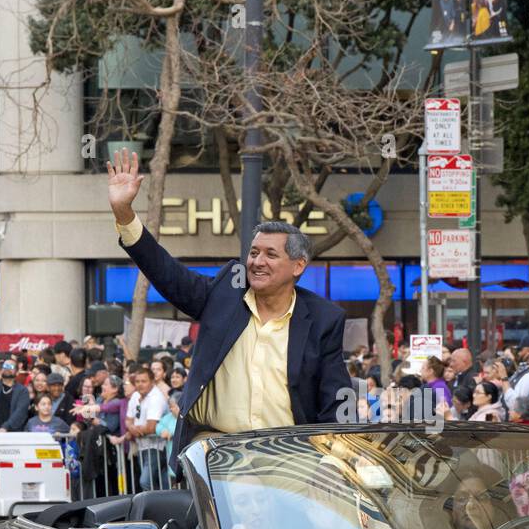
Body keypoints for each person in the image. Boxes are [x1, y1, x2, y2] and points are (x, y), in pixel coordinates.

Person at [109, 149, 350, 460]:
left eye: (270, 255)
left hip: (292, 460)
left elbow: (335, 401)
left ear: (298, 266)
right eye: (253, 253)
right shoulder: (224, 294)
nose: (257, 262)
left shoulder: (323, 319)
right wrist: (124, 214)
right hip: (220, 455)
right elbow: (166, 272)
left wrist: (337, 462)